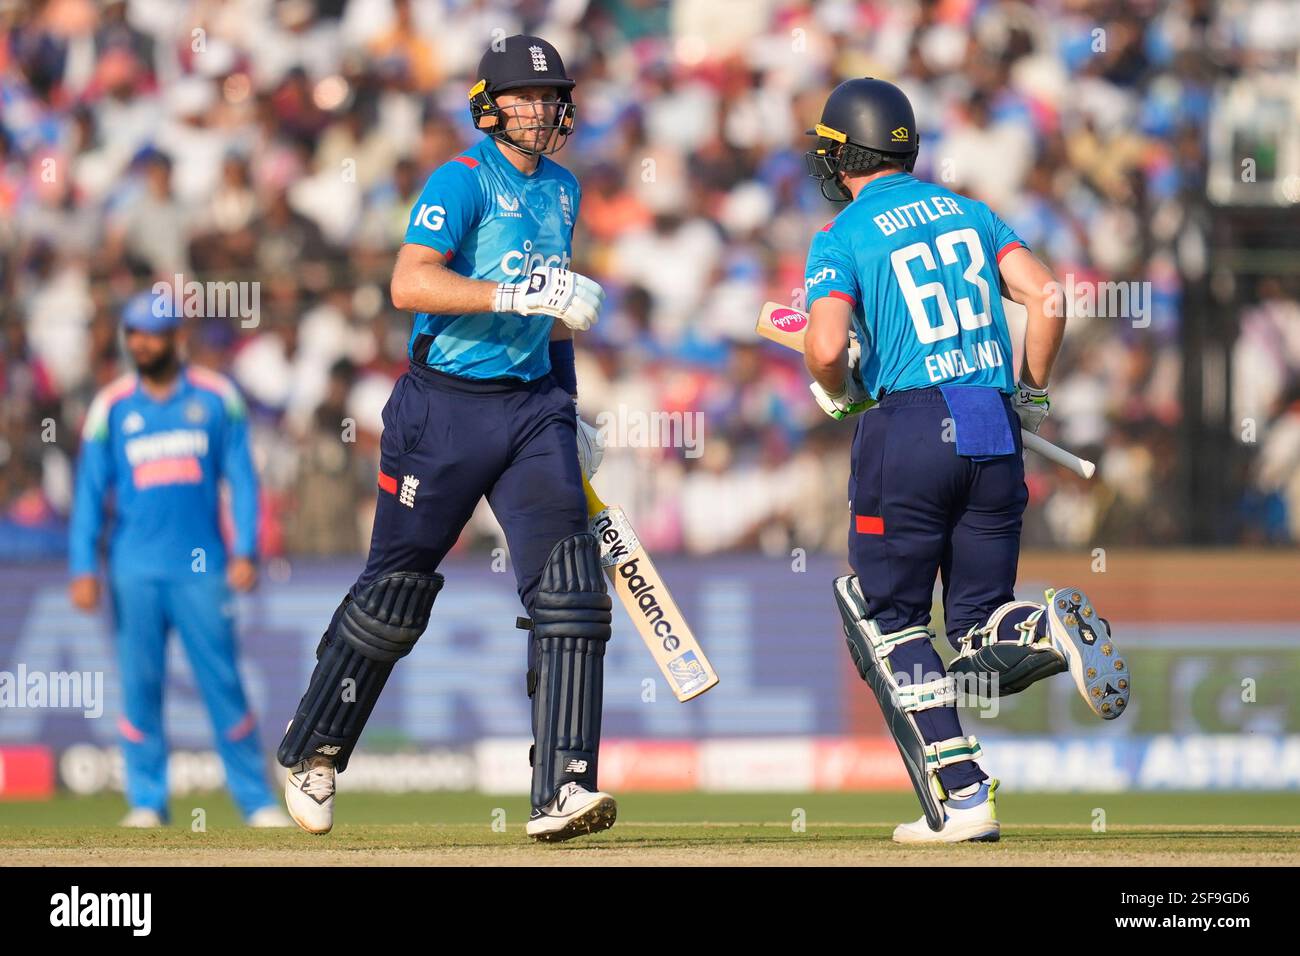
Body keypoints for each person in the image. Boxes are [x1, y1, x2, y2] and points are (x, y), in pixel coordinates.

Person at [277, 35, 616, 842]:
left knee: (570, 590)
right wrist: (514, 290)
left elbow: (557, 315)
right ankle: (314, 749)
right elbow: (408, 281)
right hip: (444, 407)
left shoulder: (564, 190)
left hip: (531, 407)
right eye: (527, 97)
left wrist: (569, 410)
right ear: (490, 104)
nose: (543, 109)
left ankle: (562, 786)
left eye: (551, 95)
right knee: (397, 591)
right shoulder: (460, 180)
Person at [801, 77, 1131, 844]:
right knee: (981, 626)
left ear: (844, 153)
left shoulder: (845, 233)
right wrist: (1033, 395)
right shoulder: (971, 210)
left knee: (892, 618)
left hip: (908, 425)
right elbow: (1047, 298)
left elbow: (822, 348)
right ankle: (1040, 629)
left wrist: (840, 390)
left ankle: (965, 795)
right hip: (992, 421)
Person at [69, 291, 289, 828]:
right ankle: (147, 800)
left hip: (203, 569)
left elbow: (241, 478)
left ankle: (255, 800)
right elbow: (89, 493)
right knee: (139, 685)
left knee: (223, 681)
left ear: (176, 339)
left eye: (151, 334)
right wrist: (82, 566)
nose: (140, 344)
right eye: (133, 334)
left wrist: (245, 548)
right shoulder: (112, 406)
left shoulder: (217, 399)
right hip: (133, 570)